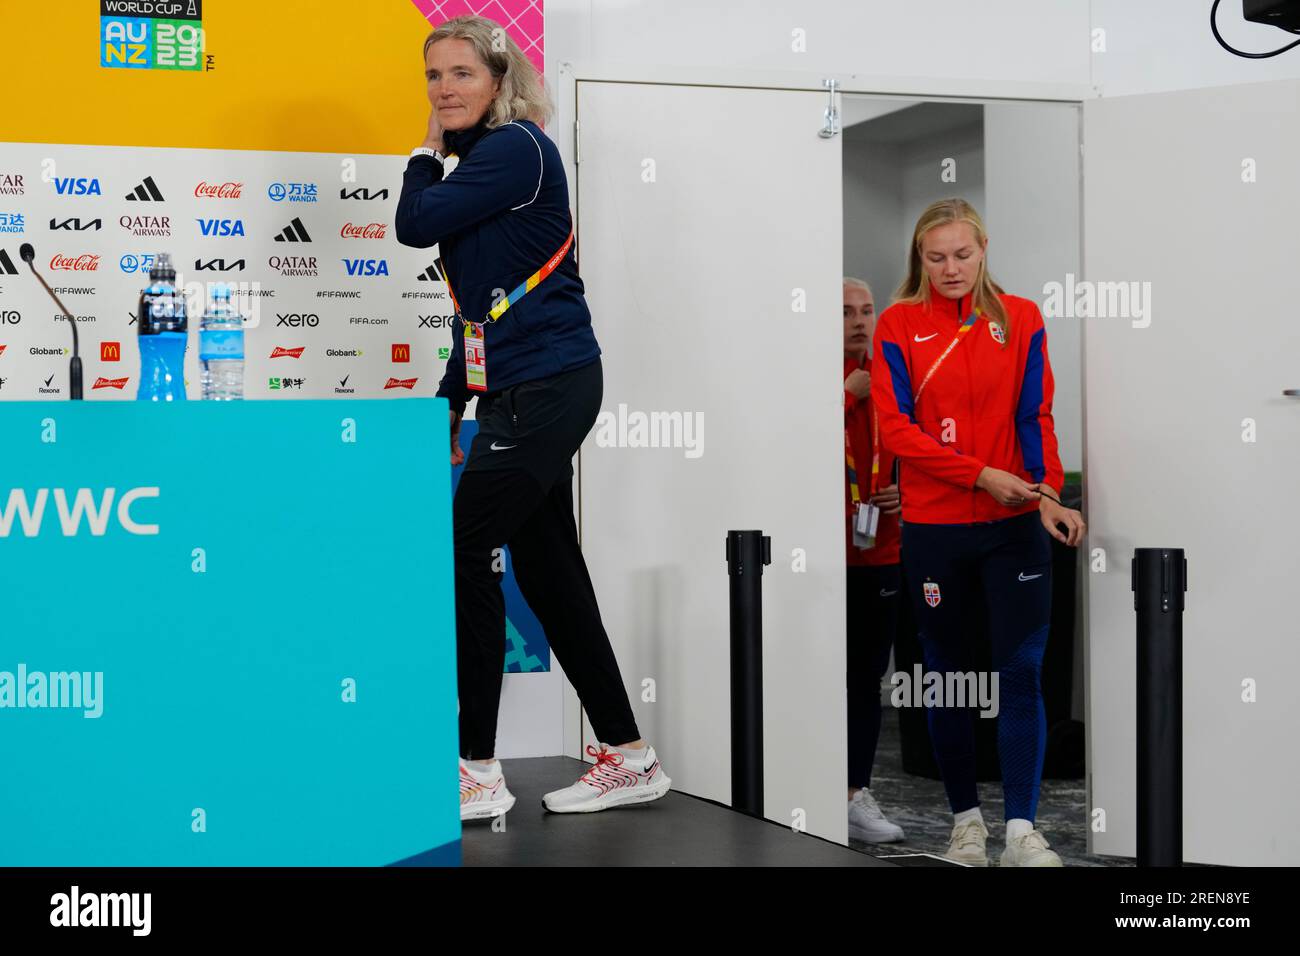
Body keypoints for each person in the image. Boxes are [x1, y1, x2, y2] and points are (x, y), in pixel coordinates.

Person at [395, 15, 670, 820]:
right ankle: (629, 755)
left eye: (460, 74)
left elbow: (413, 226)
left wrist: (419, 159)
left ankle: (475, 771)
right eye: (434, 77)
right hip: (517, 387)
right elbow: (478, 306)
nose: (445, 90)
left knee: (467, 540)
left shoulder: (517, 148)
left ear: (498, 78)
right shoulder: (482, 165)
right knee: (550, 573)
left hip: (552, 385)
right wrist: (454, 397)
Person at [870, 198, 1085, 867]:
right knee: (948, 676)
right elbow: (897, 430)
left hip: (1014, 525)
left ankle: (1022, 829)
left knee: (1021, 673)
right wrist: (979, 474)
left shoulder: (1018, 318)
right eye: (936, 258)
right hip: (936, 530)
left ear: (984, 248)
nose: (950, 268)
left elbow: (1036, 413)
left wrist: (1048, 491)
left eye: (962, 255)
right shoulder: (898, 325)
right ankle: (966, 825)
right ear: (919, 258)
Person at [842, 277, 907, 844]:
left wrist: (903, 490)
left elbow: (918, 447)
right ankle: (810, 785)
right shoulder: (820, 380)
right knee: (820, 676)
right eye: (846, 313)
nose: (860, 321)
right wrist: (847, 394)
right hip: (823, 557)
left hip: (880, 551)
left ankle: (854, 794)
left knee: (866, 681)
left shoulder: (892, 379)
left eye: (866, 311)